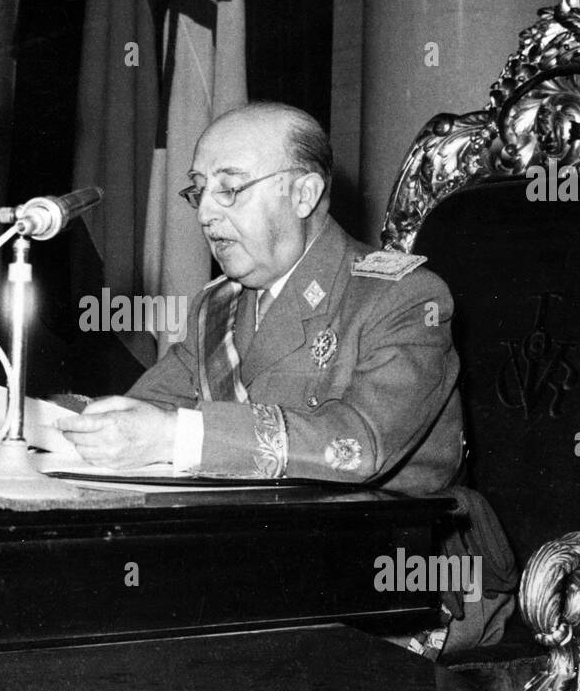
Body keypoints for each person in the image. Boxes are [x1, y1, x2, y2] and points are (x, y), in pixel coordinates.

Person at [56, 101, 463, 493]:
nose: (204, 214)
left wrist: (171, 435)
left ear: (303, 195)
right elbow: (142, 411)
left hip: (389, 549)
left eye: (230, 187)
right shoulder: (214, 307)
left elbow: (356, 446)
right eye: (199, 191)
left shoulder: (403, 297)